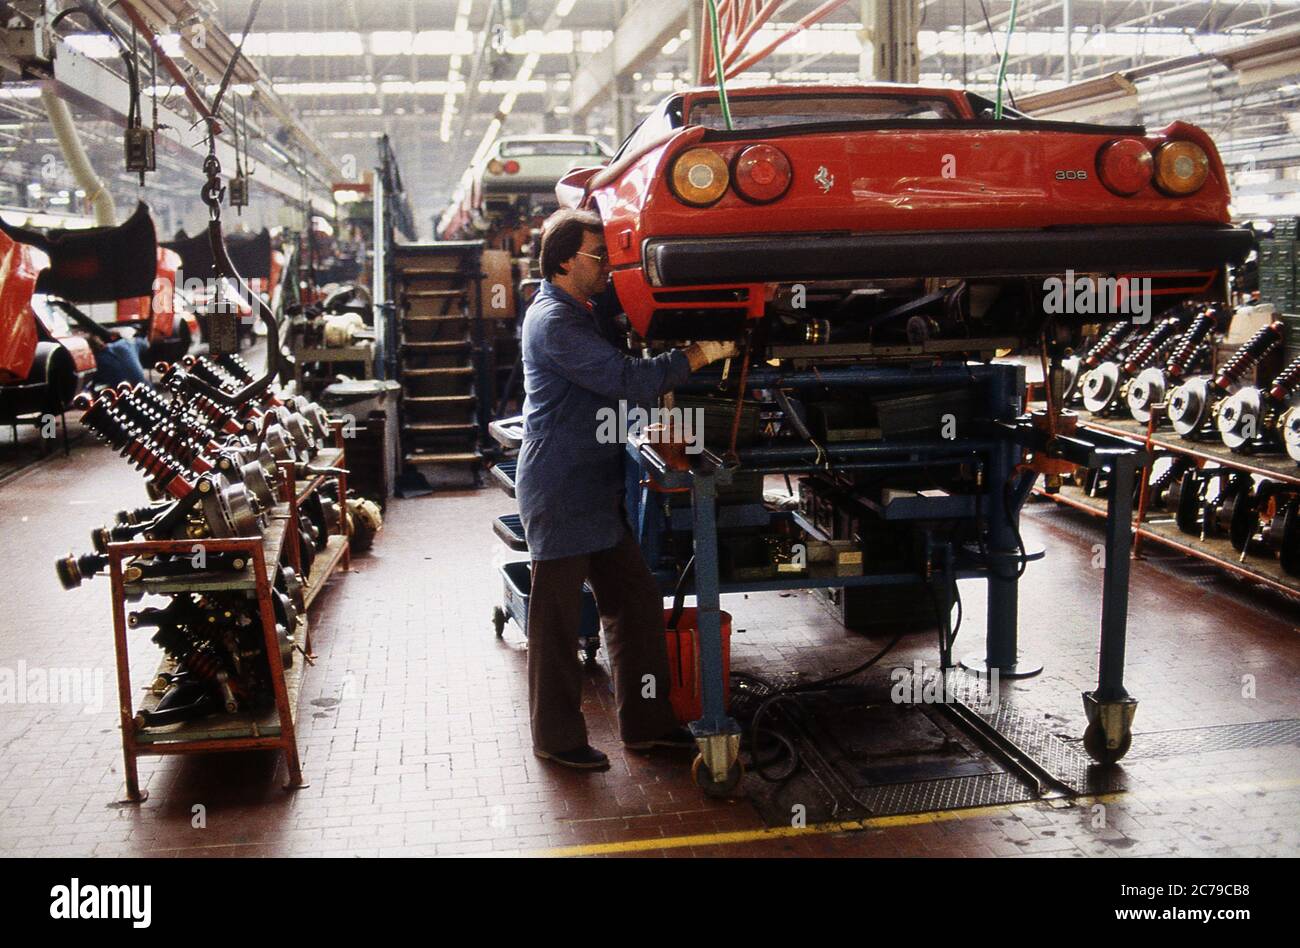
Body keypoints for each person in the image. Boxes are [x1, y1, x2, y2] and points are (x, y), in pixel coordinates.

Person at [516, 208, 738, 770]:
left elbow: (626, 307)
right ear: (565, 260)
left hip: (592, 486)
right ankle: (557, 738)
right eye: (600, 257)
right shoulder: (554, 323)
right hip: (561, 487)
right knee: (557, 623)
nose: (608, 268)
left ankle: (646, 723)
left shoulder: (580, 309)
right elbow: (624, 378)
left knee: (635, 603)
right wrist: (697, 354)